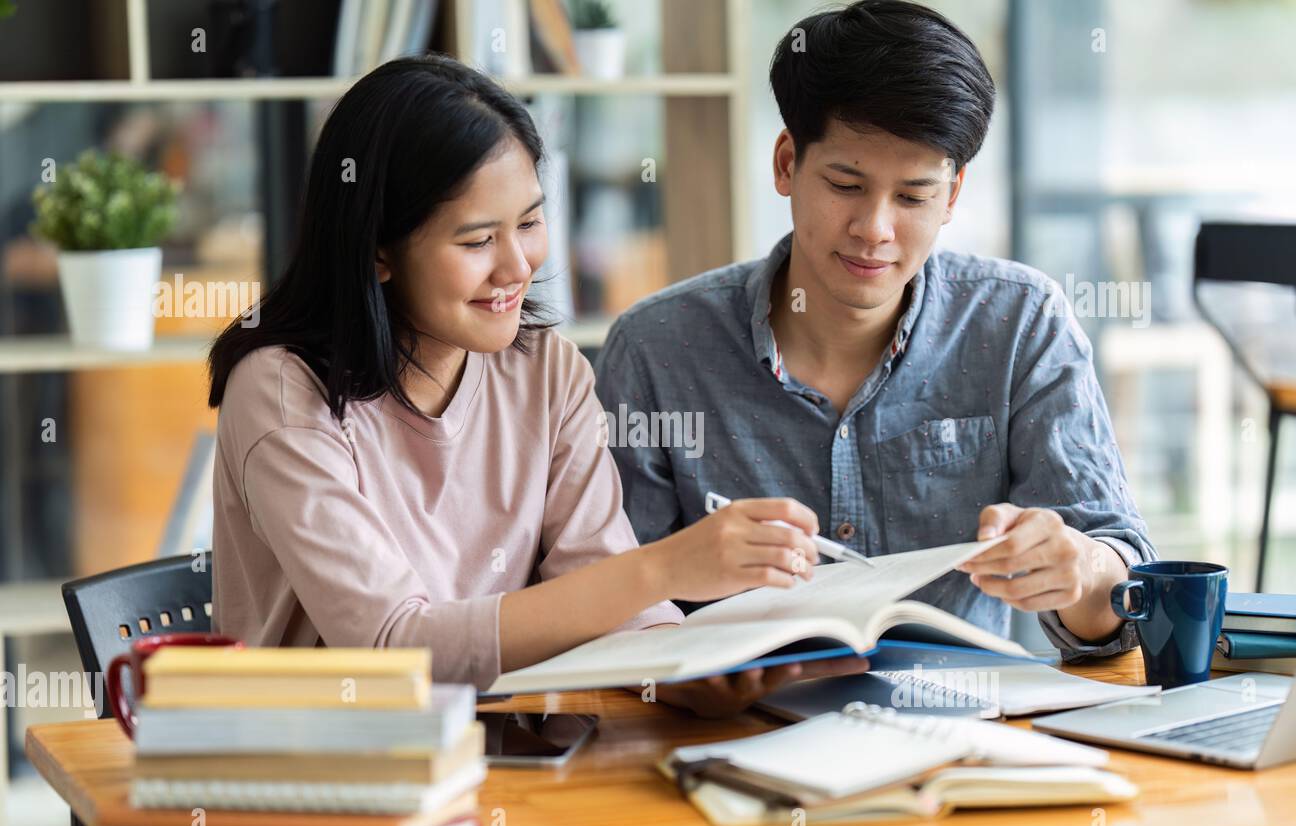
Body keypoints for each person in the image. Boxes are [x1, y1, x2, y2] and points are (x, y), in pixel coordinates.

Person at [207, 55, 868, 717]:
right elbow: (390, 646)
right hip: (318, 762)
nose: (518, 266)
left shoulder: (546, 370)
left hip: (502, 748)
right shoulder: (283, 392)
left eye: (528, 223)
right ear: (379, 249)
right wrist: (664, 567)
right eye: (476, 241)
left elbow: (593, 581)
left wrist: (677, 664)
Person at [595, 0, 1158, 661]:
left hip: (956, 734)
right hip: (725, 735)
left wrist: (1081, 570)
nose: (875, 228)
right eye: (846, 184)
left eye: (914, 196)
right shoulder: (658, 349)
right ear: (786, 164)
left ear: (951, 197)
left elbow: (1121, 600)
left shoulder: (1018, 324)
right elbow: (609, 595)